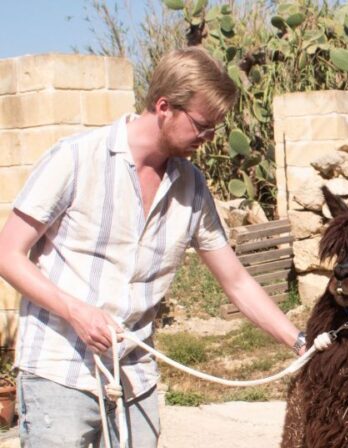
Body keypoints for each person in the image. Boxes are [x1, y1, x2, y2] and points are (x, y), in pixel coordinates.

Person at [0, 47, 306, 447]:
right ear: (164, 107)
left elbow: (236, 282)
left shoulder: (192, 187)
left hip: (134, 377)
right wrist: (75, 311)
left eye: (215, 128)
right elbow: (7, 254)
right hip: (61, 372)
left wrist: (299, 342)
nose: (209, 139)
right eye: (202, 125)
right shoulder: (74, 159)